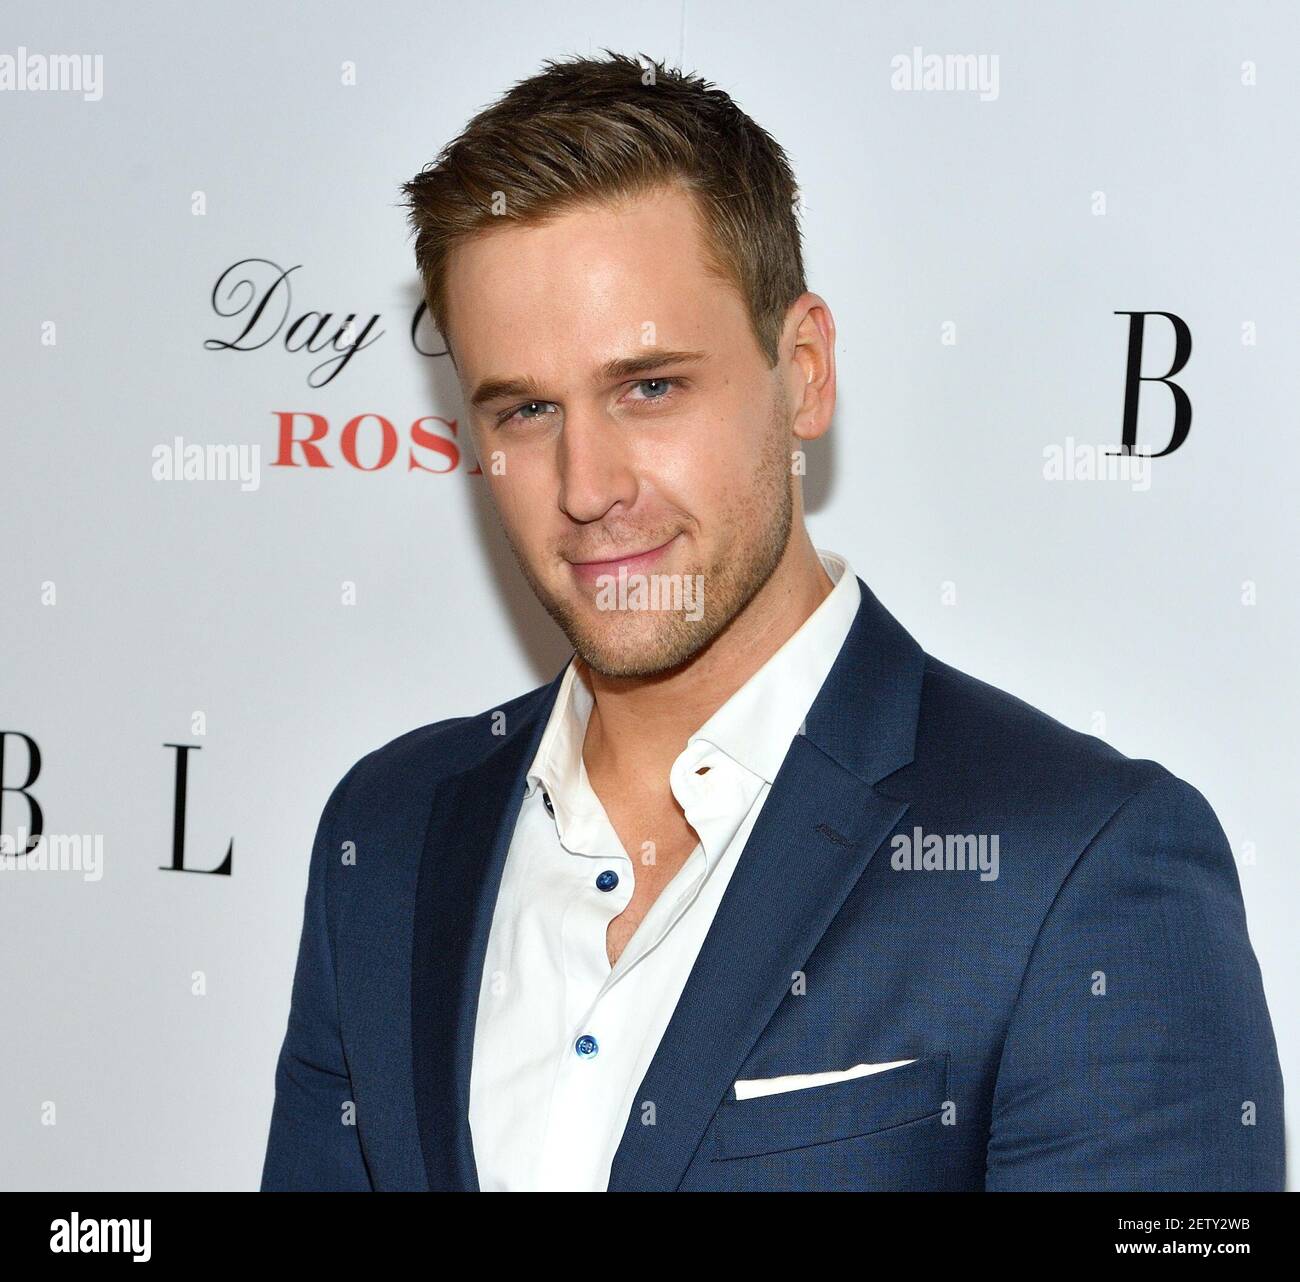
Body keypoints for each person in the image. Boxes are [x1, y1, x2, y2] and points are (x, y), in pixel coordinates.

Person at [260, 51, 1284, 1192]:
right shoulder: (387, 834)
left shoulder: (1077, 861)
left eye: (649, 387)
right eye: (528, 407)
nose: (587, 484)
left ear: (801, 372)